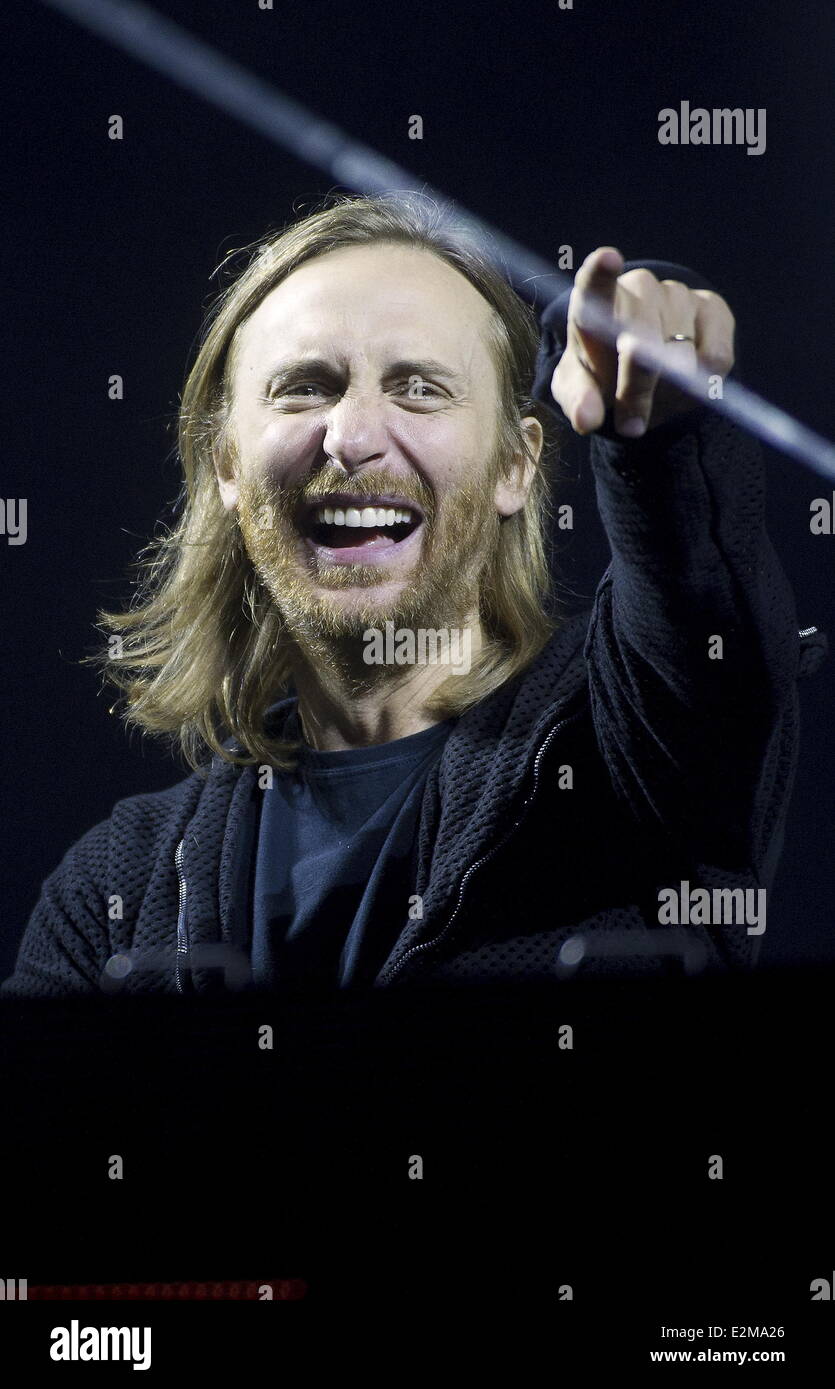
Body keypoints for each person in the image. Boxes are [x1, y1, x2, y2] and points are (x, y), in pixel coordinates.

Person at [0, 194, 823, 998]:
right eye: (304, 387)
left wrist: (658, 423)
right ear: (225, 467)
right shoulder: (114, 894)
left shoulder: (623, 748)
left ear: (516, 465)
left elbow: (701, 629)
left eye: (420, 389)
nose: (352, 437)